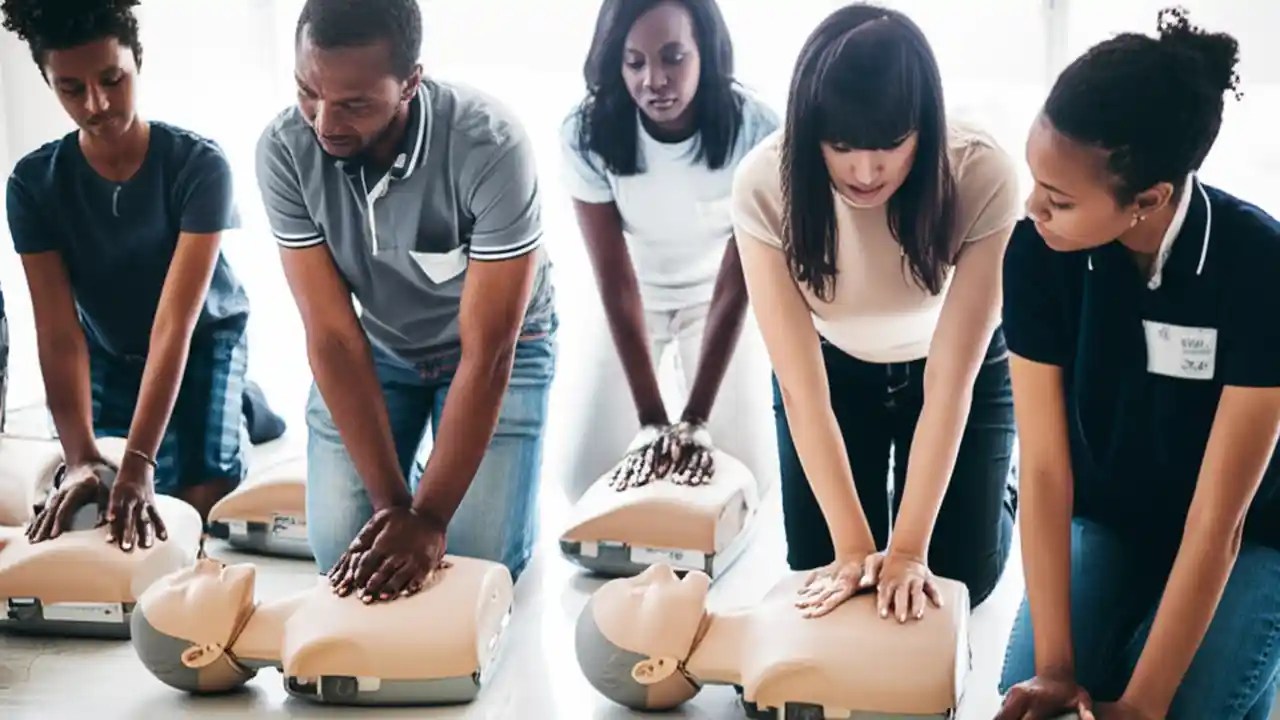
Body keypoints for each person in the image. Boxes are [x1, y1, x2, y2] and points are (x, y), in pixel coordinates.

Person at [996, 9, 1280, 720]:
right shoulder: (1037, 252)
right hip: (1108, 517)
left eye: (1058, 200)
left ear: (1148, 200)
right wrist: (1056, 670)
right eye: (1034, 182)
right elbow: (1043, 470)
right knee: (1038, 702)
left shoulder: (1260, 265)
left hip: (1253, 536)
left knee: (1175, 708)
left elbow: (1221, 518)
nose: (1033, 208)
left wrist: (1144, 705)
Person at [255, 0, 557, 601]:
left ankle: (481, 491)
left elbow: (489, 352)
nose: (323, 123)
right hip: (381, 349)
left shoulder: (491, 145)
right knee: (346, 543)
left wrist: (431, 520)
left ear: (410, 85)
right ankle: (420, 478)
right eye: (307, 91)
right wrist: (396, 510)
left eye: (353, 104)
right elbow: (335, 337)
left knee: (476, 561)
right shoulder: (284, 151)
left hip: (502, 350)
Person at [731, 2, 1021, 622]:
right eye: (841, 147)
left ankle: (1000, 487)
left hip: (952, 369)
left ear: (926, 125)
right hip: (834, 374)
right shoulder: (762, 185)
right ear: (812, 135)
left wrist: (910, 548)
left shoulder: (982, 171)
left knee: (959, 576)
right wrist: (858, 550)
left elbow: (950, 383)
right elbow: (803, 392)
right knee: (820, 562)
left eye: (891, 145)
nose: (866, 172)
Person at [2, 0, 253, 547]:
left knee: (196, 496)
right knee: (99, 493)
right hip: (110, 350)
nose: (96, 104)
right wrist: (79, 459)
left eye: (112, 79)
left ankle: (242, 399)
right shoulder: (31, 186)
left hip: (202, 337)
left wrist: (141, 462)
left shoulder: (200, 166)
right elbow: (58, 332)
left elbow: (175, 326)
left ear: (137, 62)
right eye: (70, 89)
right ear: (49, 83)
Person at [558, 0, 780, 499]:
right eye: (634, 62)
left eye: (673, 57)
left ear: (706, 53)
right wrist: (653, 420)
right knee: (582, 479)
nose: (653, 80)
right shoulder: (585, 132)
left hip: (718, 302)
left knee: (748, 477)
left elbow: (739, 280)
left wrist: (695, 417)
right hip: (635, 299)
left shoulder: (759, 131)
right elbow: (615, 280)